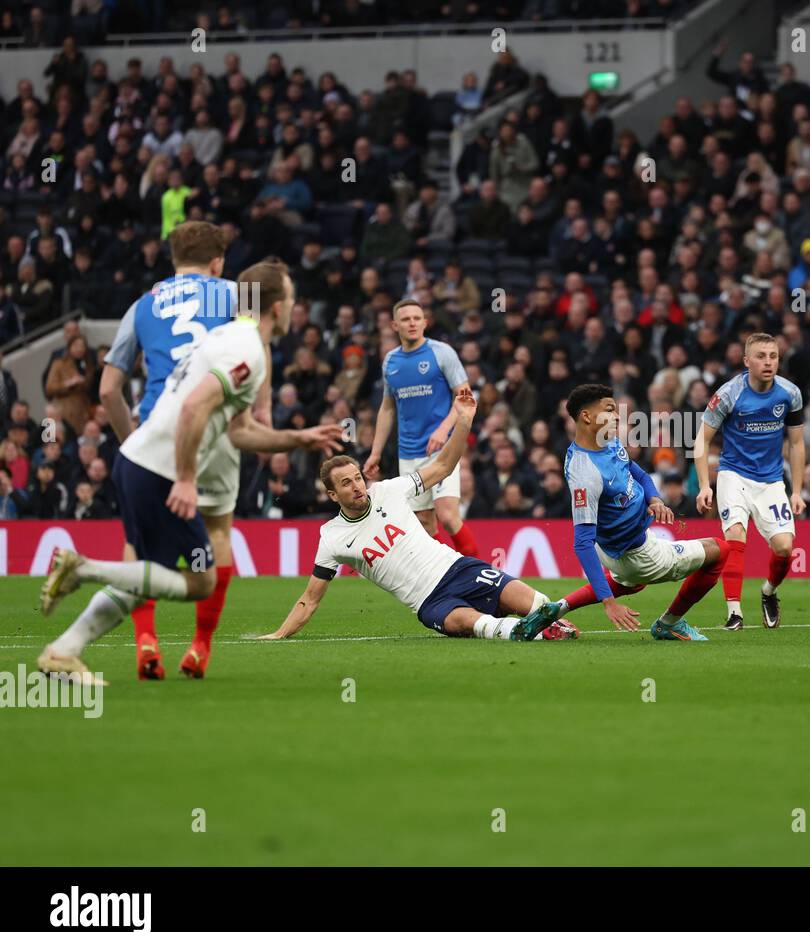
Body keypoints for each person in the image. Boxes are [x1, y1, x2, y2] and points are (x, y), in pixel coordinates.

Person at [37, 260, 342, 684]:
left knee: (150, 575)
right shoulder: (248, 349)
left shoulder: (229, 336)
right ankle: (83, 569)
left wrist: (300, 438)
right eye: (291, 297)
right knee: (201, 580)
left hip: (138, 460)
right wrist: (183, 477)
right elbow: (197, 405)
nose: (294, 306)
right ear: (277, 306)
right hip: (157, 470)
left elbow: (240, 431)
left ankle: (63, 651)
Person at [256, 392, 571, 642]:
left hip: (455, 568)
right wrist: (278, 634)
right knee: (462, 621)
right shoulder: (332, 537)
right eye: (346, 483)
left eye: (357, 477)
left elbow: (442, 467)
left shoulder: (388, 490)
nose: (357, 486)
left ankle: (550, 621)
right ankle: (513, 632)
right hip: (428, 601)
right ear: (332, 495)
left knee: (524, 598)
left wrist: (463, 422)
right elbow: (310, 599)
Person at [98, 220, 261, 680]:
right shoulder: (241, 294)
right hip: (220, 427)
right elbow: (258, 355)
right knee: (217, 534)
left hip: (157, 427)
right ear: (218, 261)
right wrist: (253, 418)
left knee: (139, 543)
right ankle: (200, 648)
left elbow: (109, 388)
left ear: (173, 260)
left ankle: (146, 641)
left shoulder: (141, 305)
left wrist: (130, 439)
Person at [553, 384, 741, 641]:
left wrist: (654, 499)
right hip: (638, 554)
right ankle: (669, 623)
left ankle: (558, 607)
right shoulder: (585, 473)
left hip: (612, 549)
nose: (618, 416)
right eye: (609, 410)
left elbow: (638, 473)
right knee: (720, 550)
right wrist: (608, 603)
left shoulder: (605, 443)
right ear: (586, 417)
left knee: (631, 582)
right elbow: (582, 542)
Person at [692, 333, 805, 630]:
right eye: (761, 356)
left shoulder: (790, 394)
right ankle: (734, 613)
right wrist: (706, 484)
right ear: (746, 361)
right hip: (733, 475)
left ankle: (769, 592)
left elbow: (796, 444)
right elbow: (701, 440)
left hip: (770, 481)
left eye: (773, 356)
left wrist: (797, 491)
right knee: (735, 539)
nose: (768, 362)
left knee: (784, 548)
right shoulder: (729, 393)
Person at [365, 298, 480, 557]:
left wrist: (443, 430)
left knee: (447, 515)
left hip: (443, 449)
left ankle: (480, 576)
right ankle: (445, 583)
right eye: (406, 319)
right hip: (408, 453)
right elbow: (387, 408)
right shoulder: (390, 362)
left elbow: (464, 396)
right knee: (424, 526)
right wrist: (375, 452)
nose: (412, 323)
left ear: (425, 322)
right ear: (395, 325)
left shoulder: (442, 352)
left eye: (417, 318)